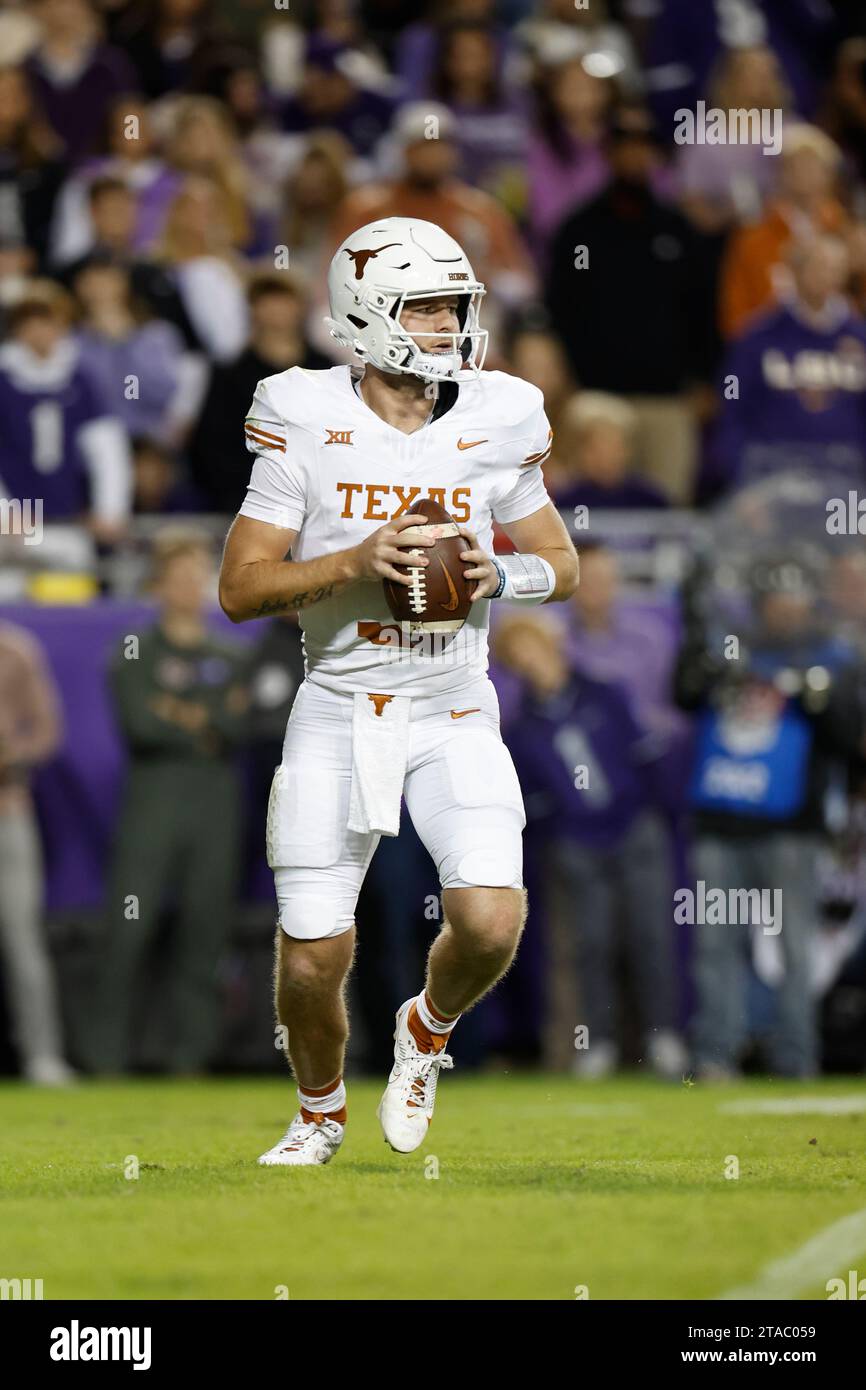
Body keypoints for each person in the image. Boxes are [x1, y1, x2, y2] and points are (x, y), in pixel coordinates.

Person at [218, 215, 579, 1166]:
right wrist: (354, 559)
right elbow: (241, 588)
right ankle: (321, 1109)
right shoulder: (303, 414)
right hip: (340, 704)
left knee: (492, 921)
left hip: (454, 703)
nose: (446, 326)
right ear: (366, 312)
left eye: (454, 307)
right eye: (425, 307)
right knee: (311, 958)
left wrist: (500, 575)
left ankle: (426, 1030)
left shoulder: (497, 413)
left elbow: (563, 564)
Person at [493, 611, 685, 1079]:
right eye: (517, 654)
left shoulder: (604, 692)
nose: (527, 660)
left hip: (634, 830)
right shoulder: (522, 728)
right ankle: (596, 1041)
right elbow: (533, 800)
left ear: (553, 645)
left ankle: (665, 1038)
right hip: (576, 844)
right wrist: (560, 833)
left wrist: (652, 814)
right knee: (591, 945)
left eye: (532, 647)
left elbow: (644, 758)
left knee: (650, 938)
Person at [87, 528, 249, 1074]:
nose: (188, 588)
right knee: (128, 928)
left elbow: (239, 722)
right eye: (177, 577)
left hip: (214, 800)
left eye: (195, 576)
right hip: (154, 797)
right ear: (158, 584)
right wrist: (203, 722)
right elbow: (140, 723)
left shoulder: (229, 653)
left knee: (205, 931)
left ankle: (191, 1060)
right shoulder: (135, 650)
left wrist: (180, 713)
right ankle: (103, 1058)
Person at [0, 621, 72, 1085]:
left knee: (22, 940)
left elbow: (47, 731)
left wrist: (10, 756)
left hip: (8, 810)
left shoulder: (16, 651)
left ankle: (43, 1057)